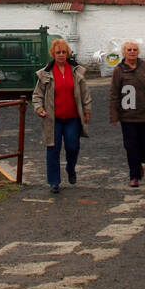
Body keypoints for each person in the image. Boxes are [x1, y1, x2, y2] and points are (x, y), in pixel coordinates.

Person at [32, 38, 91, 193]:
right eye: (58, 52)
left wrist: (87, 110)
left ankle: (71, 169)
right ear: (53, 54)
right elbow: (37, 95)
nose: (61, 55)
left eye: (64, 52)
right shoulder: (46, 74)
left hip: (72, 118)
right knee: (53, 149)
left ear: (68, 53)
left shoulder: (76, 72)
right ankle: (54, 182)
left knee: (73, 147)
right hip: (53, 119)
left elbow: (85, 93)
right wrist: (39, 108)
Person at [109, 41, 145, 187]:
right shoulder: (119, 70)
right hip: (128, 116)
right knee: (131, 146)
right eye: (129, 50)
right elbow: (114, 93)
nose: (132, 52)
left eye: (135, 49)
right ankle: (134, 175)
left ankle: (140, 160)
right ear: (124, 52)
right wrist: (114, 115)